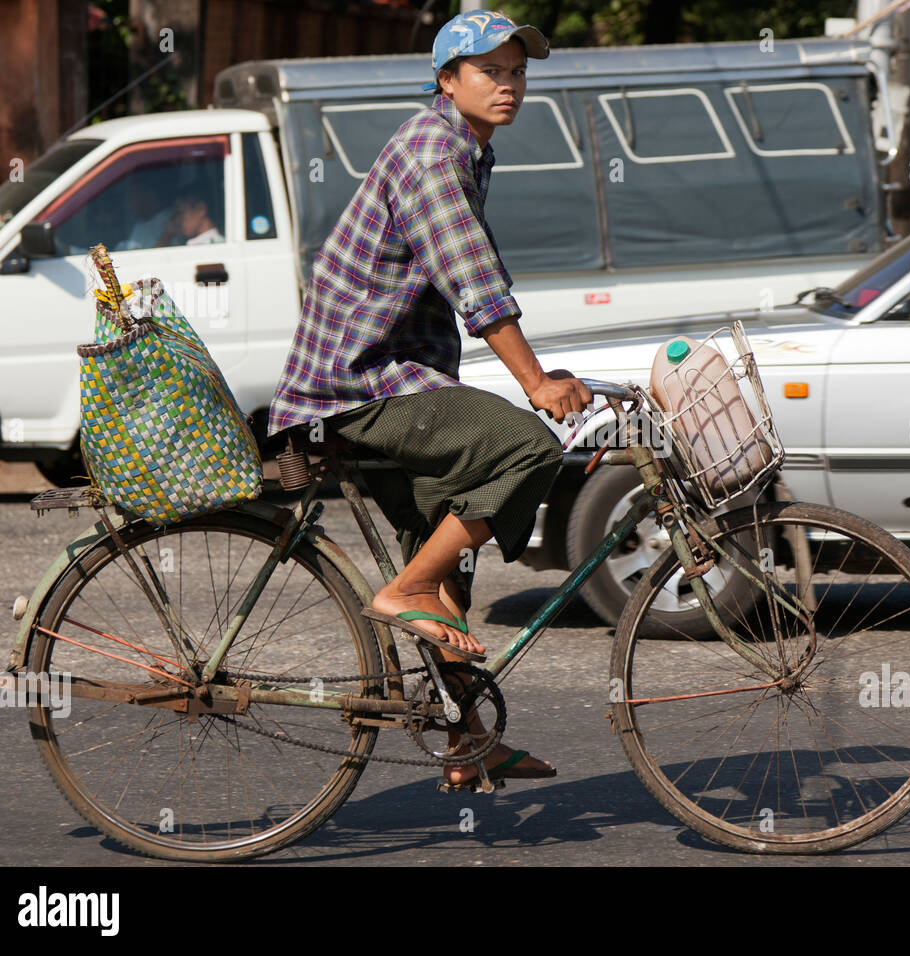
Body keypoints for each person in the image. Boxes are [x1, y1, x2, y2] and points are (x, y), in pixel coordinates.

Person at [266, 10, 591, 788]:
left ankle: (466, 739)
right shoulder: (431, 150)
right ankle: (404, 589)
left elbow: (475, 274)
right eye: (491, 71)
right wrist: (536, 383)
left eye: (517, 72)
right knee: (527, 446)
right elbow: (473, 279)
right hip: (356, 383)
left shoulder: (467, 151)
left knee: (454, 560)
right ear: (448, 81)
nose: (510, 85)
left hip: (398, 375)